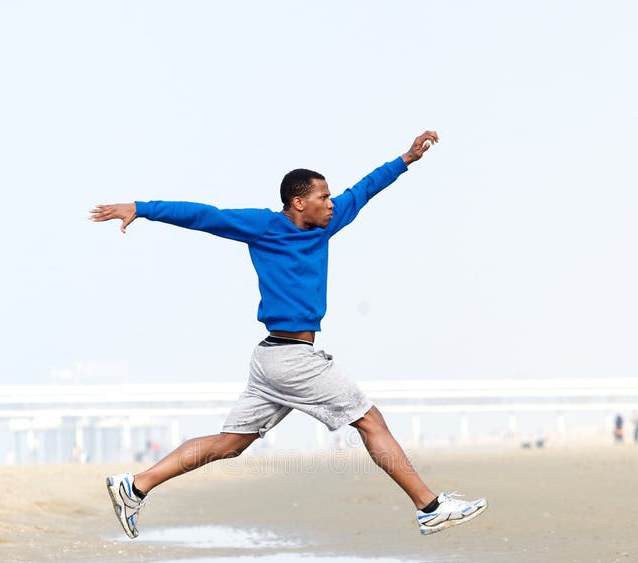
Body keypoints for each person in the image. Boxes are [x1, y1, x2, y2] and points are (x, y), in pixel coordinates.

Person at [90, 130, 487, 539]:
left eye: (331, 197)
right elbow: (203, 215)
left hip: (270, 359)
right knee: (369, 421)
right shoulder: (264, 226)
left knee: (230, 444)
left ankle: (135, 486)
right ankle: (430, 507)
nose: (332, 203)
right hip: (292, 360)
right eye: (323, 197)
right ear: (299, 203)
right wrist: (141, 207)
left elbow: (365, 188)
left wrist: (405, 159)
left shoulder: (325, 224)